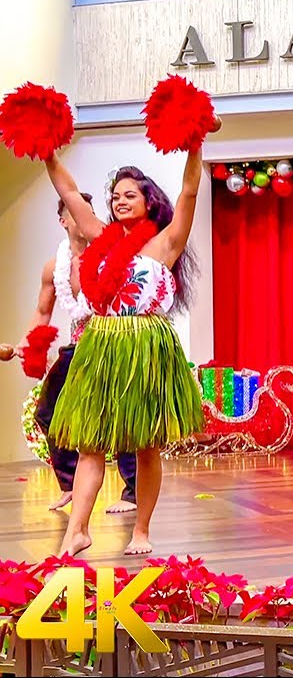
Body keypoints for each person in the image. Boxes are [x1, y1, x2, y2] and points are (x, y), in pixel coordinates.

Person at [42, 143, 209, 557]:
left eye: (129, 194)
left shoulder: (166, 242)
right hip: (101, 344)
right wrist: (47, 153)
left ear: (148, 200)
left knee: (146, 445)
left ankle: (142, 530)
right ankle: (77, 530)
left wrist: (195, 145)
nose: (119, 201)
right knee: (90, 443)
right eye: (115, 196)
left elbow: (189, 191)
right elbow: (69, 193)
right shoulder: (101, 237)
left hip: (145, 347)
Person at [19, 192, 139, 513]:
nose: (84, 216)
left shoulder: (108, 256)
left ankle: (133, 493)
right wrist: (28, 346)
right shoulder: (54, 267)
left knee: (122, 417)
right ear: (63, 220)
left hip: (111, 344)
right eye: (75, 211)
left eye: (87, 210)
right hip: (78, 347)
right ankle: (71, 484)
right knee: (48, 412)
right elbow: (42, 311)